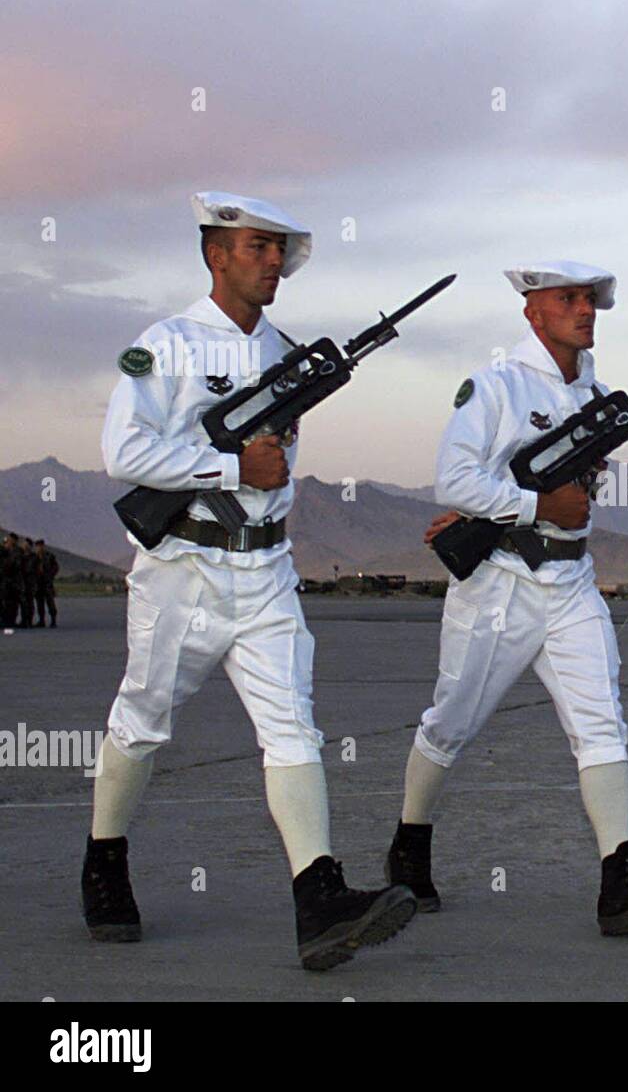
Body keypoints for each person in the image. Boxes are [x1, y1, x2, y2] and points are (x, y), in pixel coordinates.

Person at [86, 190, 416, 971]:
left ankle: (320, 899)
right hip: (183, 571)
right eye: (258, 248)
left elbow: (281, 472)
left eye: (280, 250)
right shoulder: (161, 346)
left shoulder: (287, 353)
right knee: (143, 717)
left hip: (264, 568)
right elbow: (123, 454)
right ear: (216, 254)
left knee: (293, 727)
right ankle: (104, 862)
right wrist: (229, 464)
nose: (273, 262)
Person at [394, 261, 628, 937]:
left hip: (569, 582)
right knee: (451, 722)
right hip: (500, 583)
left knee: (601, 722)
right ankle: (407, 848)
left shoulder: (596, 396)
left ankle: (621, 878)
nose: (584, 310)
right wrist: (533, 504)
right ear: (533, 311)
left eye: (590, 299)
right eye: (567, 299)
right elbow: (455, 477)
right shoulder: (497, 385)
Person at [34, 539, 58, 628]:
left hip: (47, 583)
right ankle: (41, 621)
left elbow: (55, 568)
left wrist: (50, 576)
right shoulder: (34, 557)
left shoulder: (49, 556)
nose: (39, 548)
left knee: (50, 602)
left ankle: (53, 620)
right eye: (38, 546)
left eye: (41, 546)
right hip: (38, 584)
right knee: (39, 603)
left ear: (43, 546)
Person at [0, 533, 20, 629]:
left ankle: (9, 622)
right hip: (5, 581)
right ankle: (6, 621)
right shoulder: (6, 553)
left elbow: (13, 566)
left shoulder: (16, 552)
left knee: (10, 602)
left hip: (11, 582)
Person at [18, 536, 37, 629]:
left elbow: (29, 569)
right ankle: (24, 620)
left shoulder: (33, 557)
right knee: (23, 602)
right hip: (22, 583)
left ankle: (29, 621)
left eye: (26, 544)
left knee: (29, 602)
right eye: (23, 544)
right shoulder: (21, 555)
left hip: (30, 583)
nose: (24, 546)